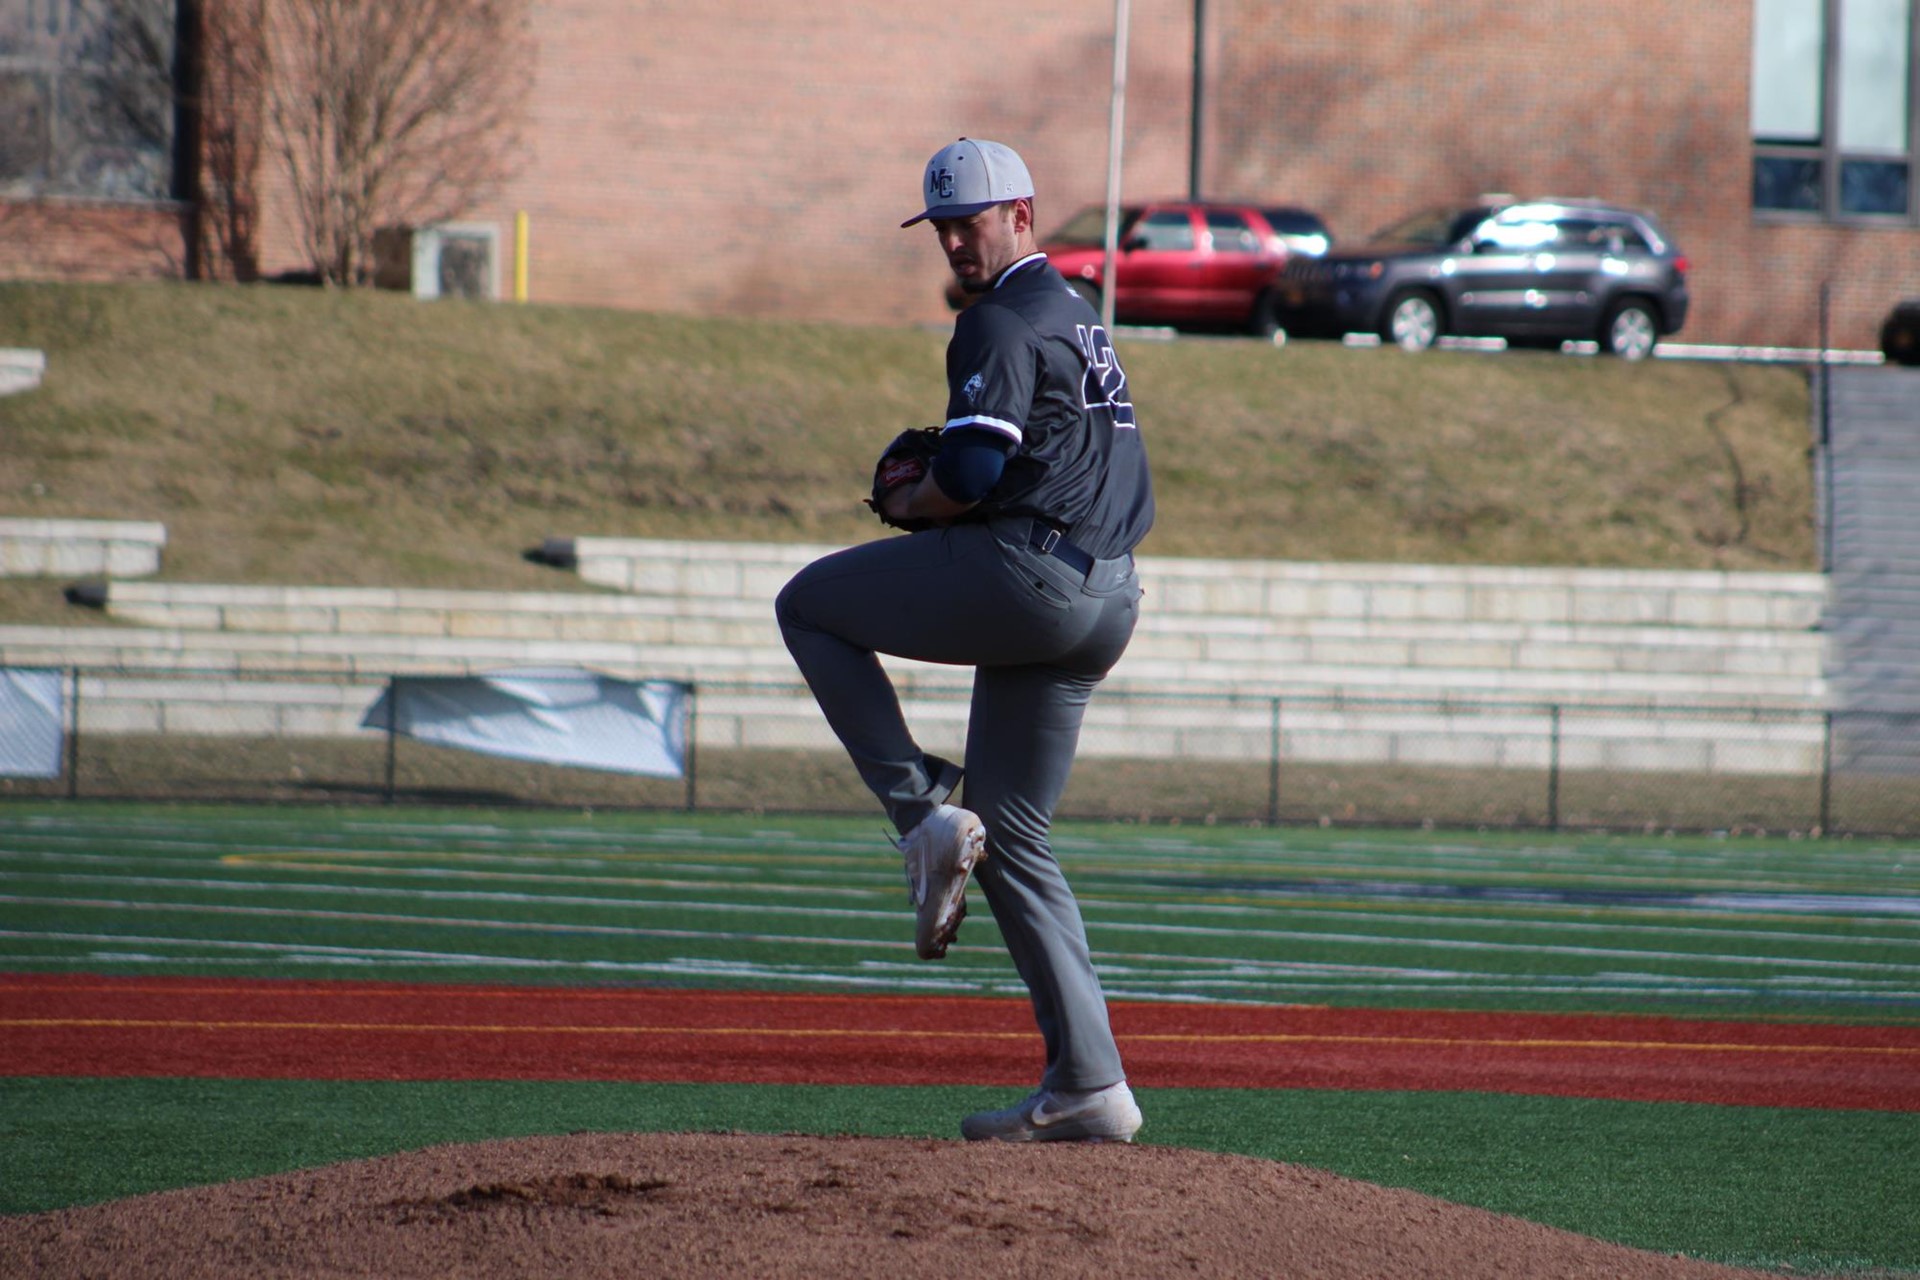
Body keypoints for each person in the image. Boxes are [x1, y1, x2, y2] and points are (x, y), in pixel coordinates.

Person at [774, 138, 1154, 1144]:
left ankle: (919, 810)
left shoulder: (997, 315)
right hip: (1109, 591)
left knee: (808, 604)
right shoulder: (1078, 313)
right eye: (941, 224)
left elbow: (977, 470)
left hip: (1031, 578)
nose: (953, 238)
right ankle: (1089, 1081)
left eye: (970, 219)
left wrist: (917, 499)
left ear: (1021, 213)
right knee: (1016, 837)